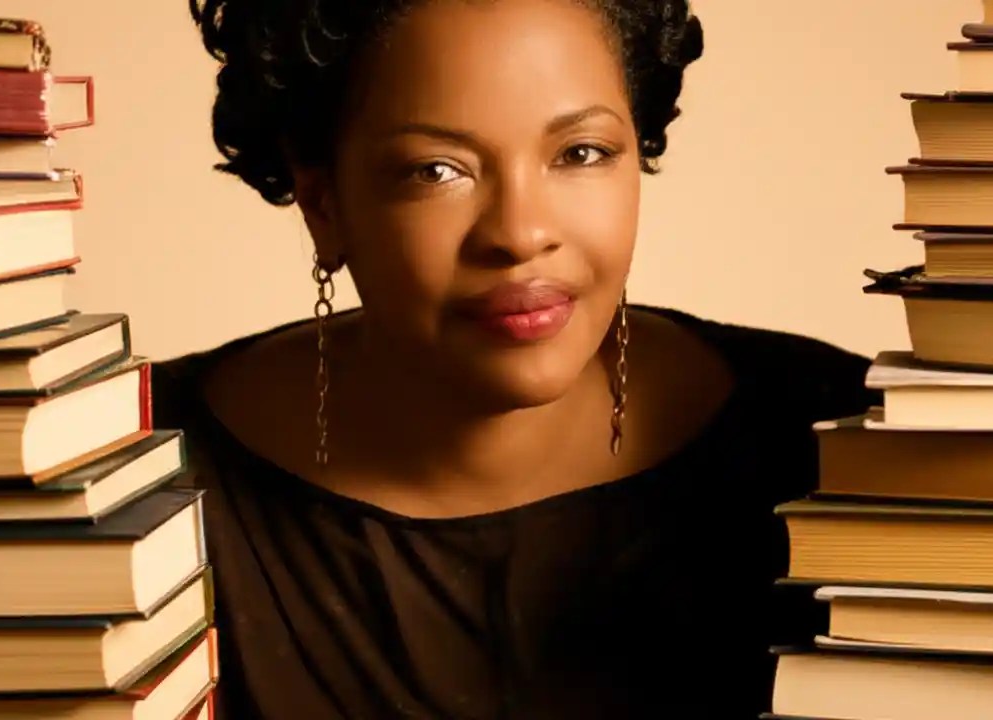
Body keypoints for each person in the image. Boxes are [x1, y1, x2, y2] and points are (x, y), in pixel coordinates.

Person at [156, 0, 878, 716]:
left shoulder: (842, 445)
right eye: (435, 170)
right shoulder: (135, 471)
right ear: (323, 203)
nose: (521, 233)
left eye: (581, 153)